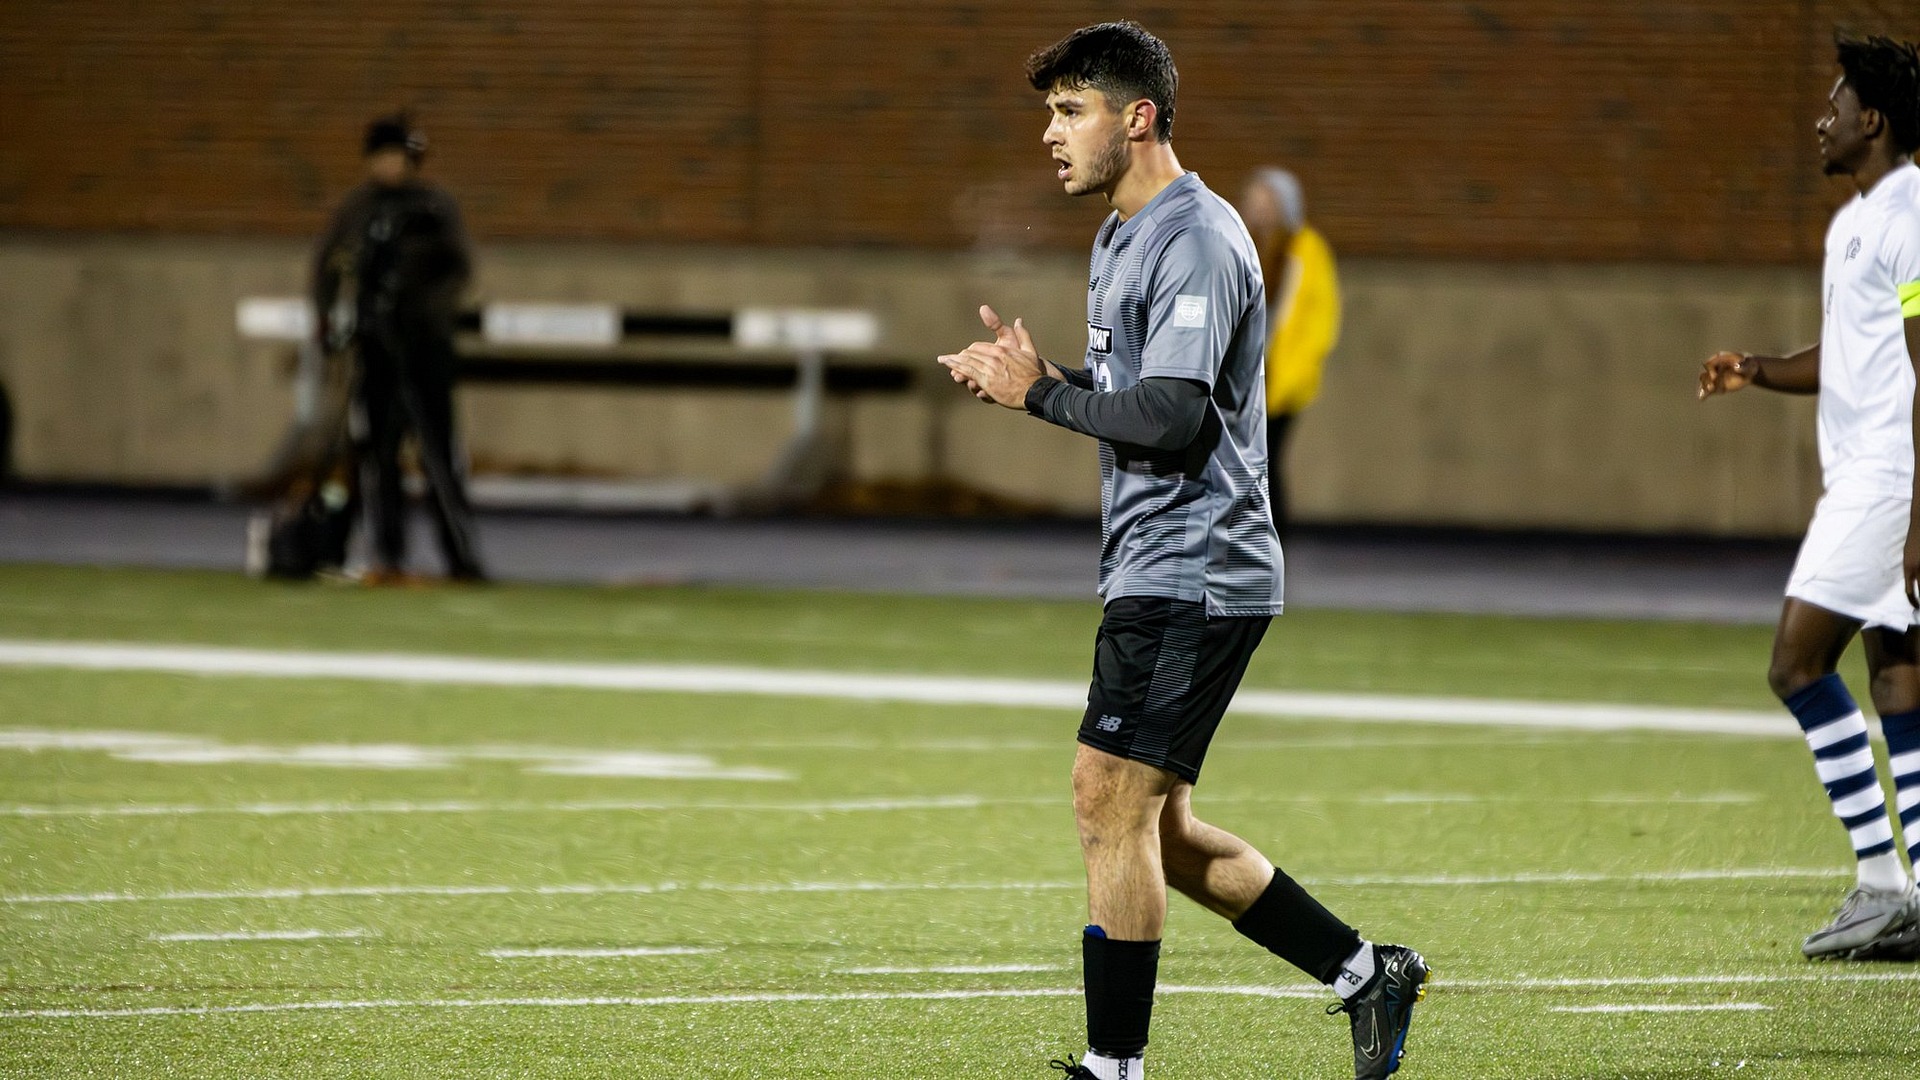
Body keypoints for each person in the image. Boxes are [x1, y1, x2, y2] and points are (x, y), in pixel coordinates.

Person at [938, 22, 1428, 1079]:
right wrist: (1046, 378)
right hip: (1157, 563)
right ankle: (1363, 974)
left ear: (1139, 117)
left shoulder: (1196, 236)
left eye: (1071, 111)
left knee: (1103, 799)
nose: (1050, 135)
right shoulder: (1122, 233)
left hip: (1196, 566)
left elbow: (1173, 419)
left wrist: (1045, 396)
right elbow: (1135, 399)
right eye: (1049, 112)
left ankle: (1115, 1069)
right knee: (1155, 832)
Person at [1698, 32, 1920, 961]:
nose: (1817, 119)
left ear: (1871, 121)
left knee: (1796, 663)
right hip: (1874, 476)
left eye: (1833, 106)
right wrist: (1758, 367)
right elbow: (1850, 357)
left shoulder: (1911, 211)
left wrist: (1918, 519)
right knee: (1898, 679)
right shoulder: (1864, 218)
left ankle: (1881, 882)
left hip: (1889, 478)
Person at [312, 113, 486, 584]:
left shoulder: (433, 206)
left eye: (398, 156)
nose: (390, 166)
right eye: (383, 156)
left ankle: (460, 555)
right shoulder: (359, 209)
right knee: (378, 454)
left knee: (436, 452)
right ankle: (388, 553)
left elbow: (459, 269)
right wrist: (330, 321)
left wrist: (425, 313)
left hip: (425, 347)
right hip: (376, 349)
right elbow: (328, 267)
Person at [1239, 168, 1340, 538]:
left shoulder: (1305, 249)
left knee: (1265, 456)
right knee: (1249, 457)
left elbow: (1318, 316)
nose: (1258, 208)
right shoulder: (1242, 243)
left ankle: (1269, 534)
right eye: (1254, 200)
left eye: (1267, 201)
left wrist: (1299, 367)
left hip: (1281, 375)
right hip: (1245, 371)